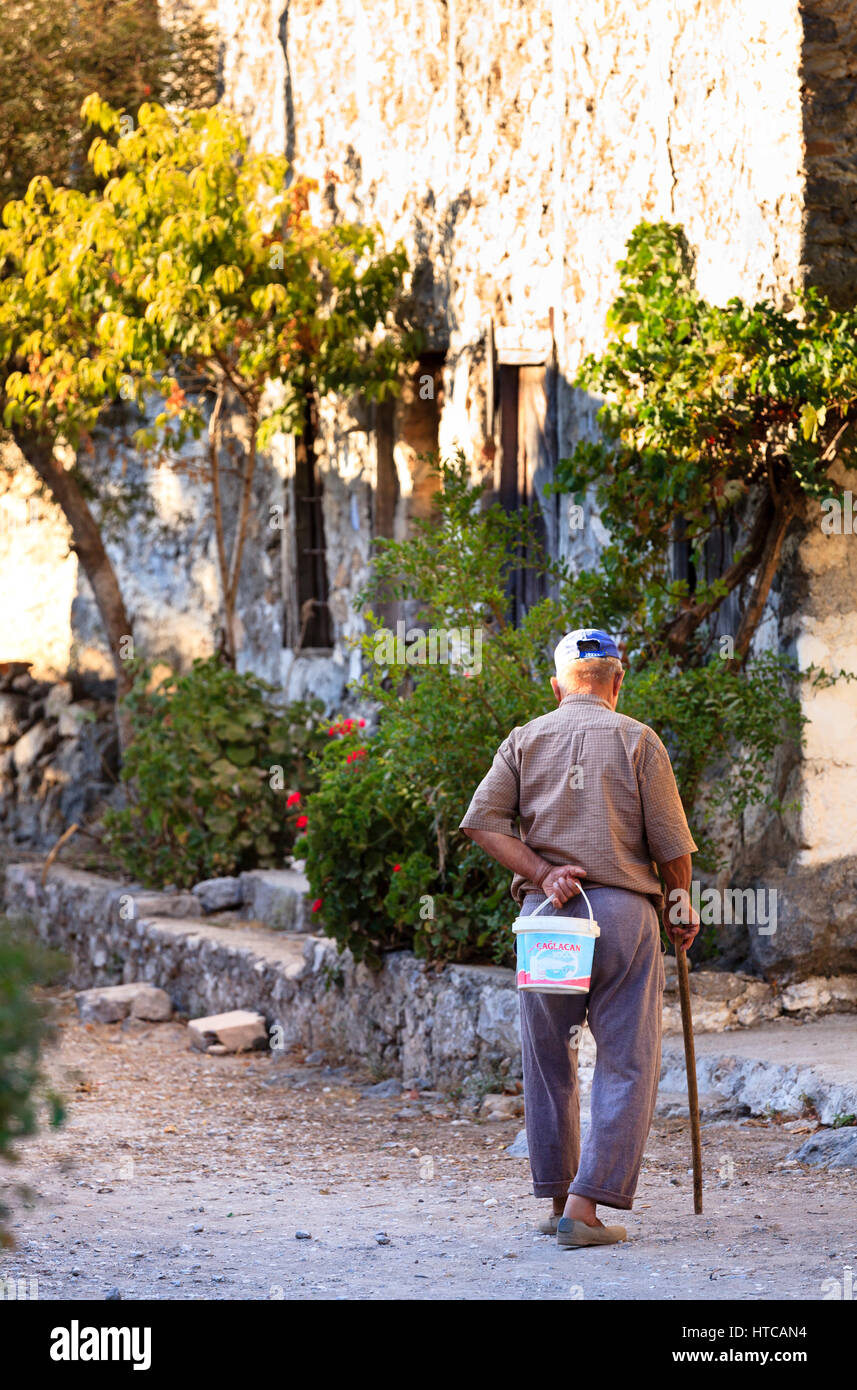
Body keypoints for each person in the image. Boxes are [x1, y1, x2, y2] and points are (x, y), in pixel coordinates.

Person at [459, 627, 699, 1249]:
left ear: (557, 685)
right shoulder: (638, 739)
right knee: (627, 1059)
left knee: (548, 1058)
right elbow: (672, 848)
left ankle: (560, 1199)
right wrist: (679, 905)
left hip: (547, 920)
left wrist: (541, 872)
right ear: (618, 681)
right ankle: (587, 1211)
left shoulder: (524, 739)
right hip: (621, 917)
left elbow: (480, 821)